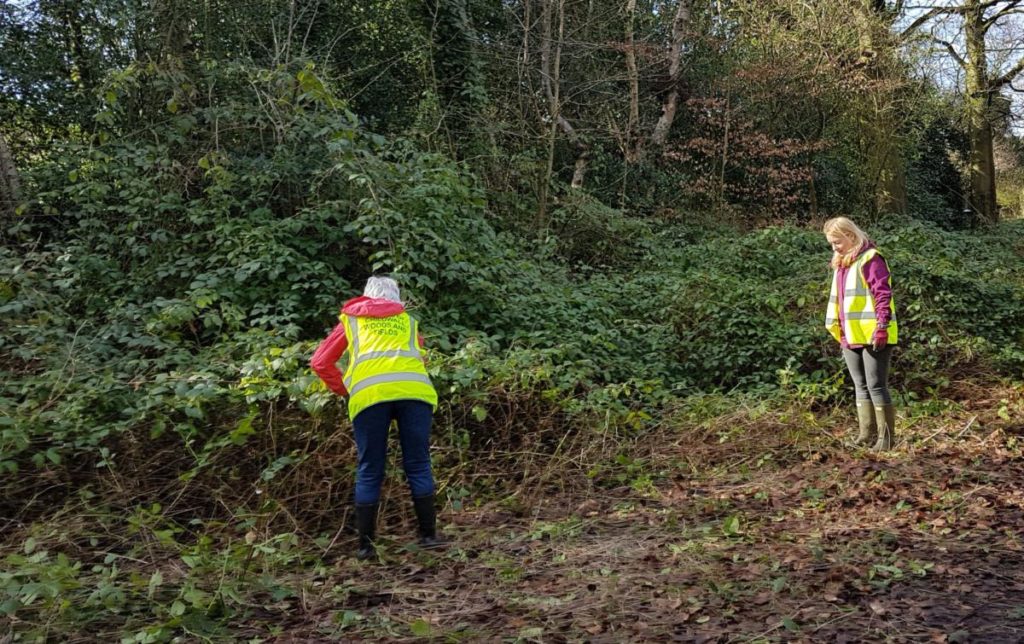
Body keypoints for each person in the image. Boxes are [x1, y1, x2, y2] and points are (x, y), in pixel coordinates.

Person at [310, 275, 444, 559]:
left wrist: (346, 390)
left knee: (370, 468)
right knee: (419, 464)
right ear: (396, 298)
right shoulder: (408, 322)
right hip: (414, 394)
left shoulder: (351, 321)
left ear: (366, 296)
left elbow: (320, 362)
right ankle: (429, 537)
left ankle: (366, 547)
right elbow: (419, 358)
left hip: (370, 398)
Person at [823, 217, 899, 451]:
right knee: (860, 385)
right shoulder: (842, 262)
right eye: (831, 243)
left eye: (837, 242)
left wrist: (882, 326)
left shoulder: (871, 258)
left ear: (851, 236)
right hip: (850, 334)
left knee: (876, 385)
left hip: (874, 334)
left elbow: (882, 294)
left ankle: (885, 440)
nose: (834, 247)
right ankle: (866, 435)